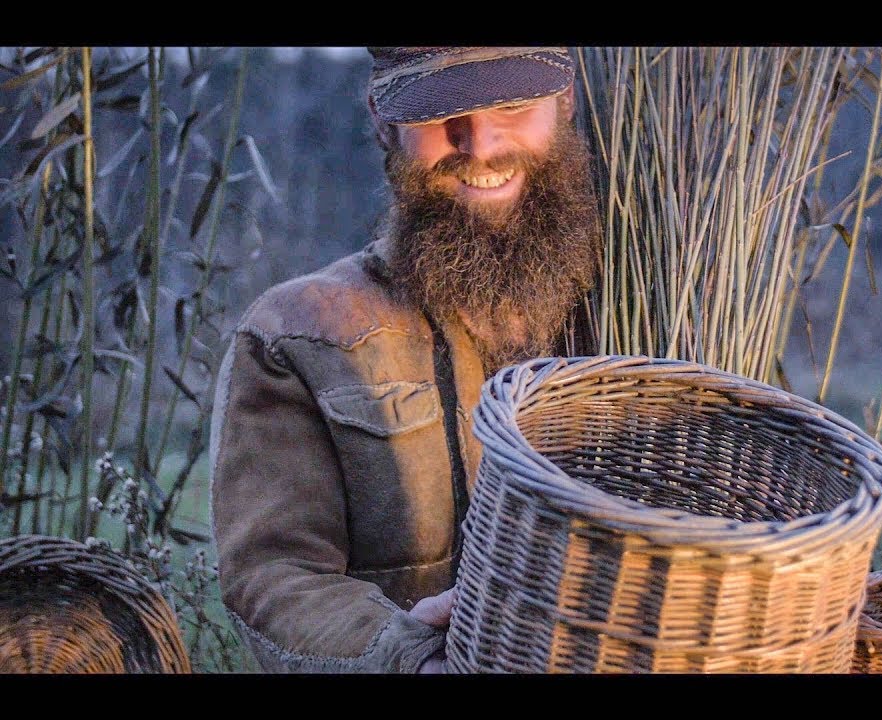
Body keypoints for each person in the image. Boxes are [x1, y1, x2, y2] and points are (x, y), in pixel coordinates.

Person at [209, 47, 601, 673]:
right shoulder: (301, 336)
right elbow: (275, 577)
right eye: (439, 113)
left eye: (513, 103)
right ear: (381, 119)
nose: (479, 143)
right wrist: (405, 651)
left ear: (566, 101)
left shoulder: (635, 305)